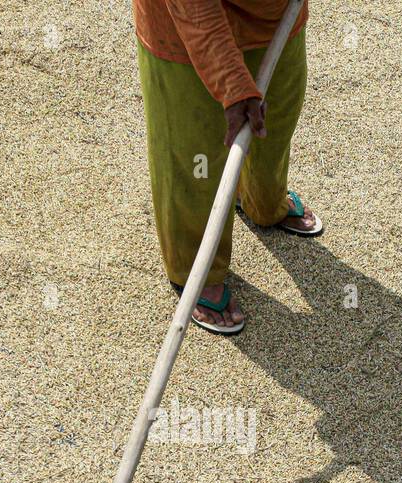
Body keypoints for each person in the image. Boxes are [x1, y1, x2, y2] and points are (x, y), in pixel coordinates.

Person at [134, 0, 322, 335]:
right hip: (184, 24)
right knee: (195, 156)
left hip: (274, 15)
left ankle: (262, 200)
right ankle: (197, 271)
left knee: (273, 123)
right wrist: (232, 85)